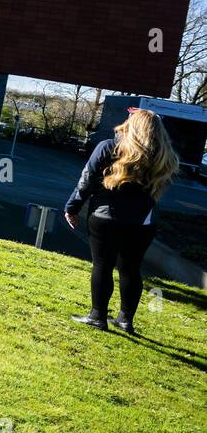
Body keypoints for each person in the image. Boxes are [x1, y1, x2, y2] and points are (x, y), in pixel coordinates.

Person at [64, 108, 179, 334]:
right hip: (143, 222)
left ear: (131, 125)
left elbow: (86, 179)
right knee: (131, 269)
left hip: (105, 217)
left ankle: (98, 316)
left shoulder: (109, 147)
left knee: (103, 265)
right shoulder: (165, 157)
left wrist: (72, 207)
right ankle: (126, 320)